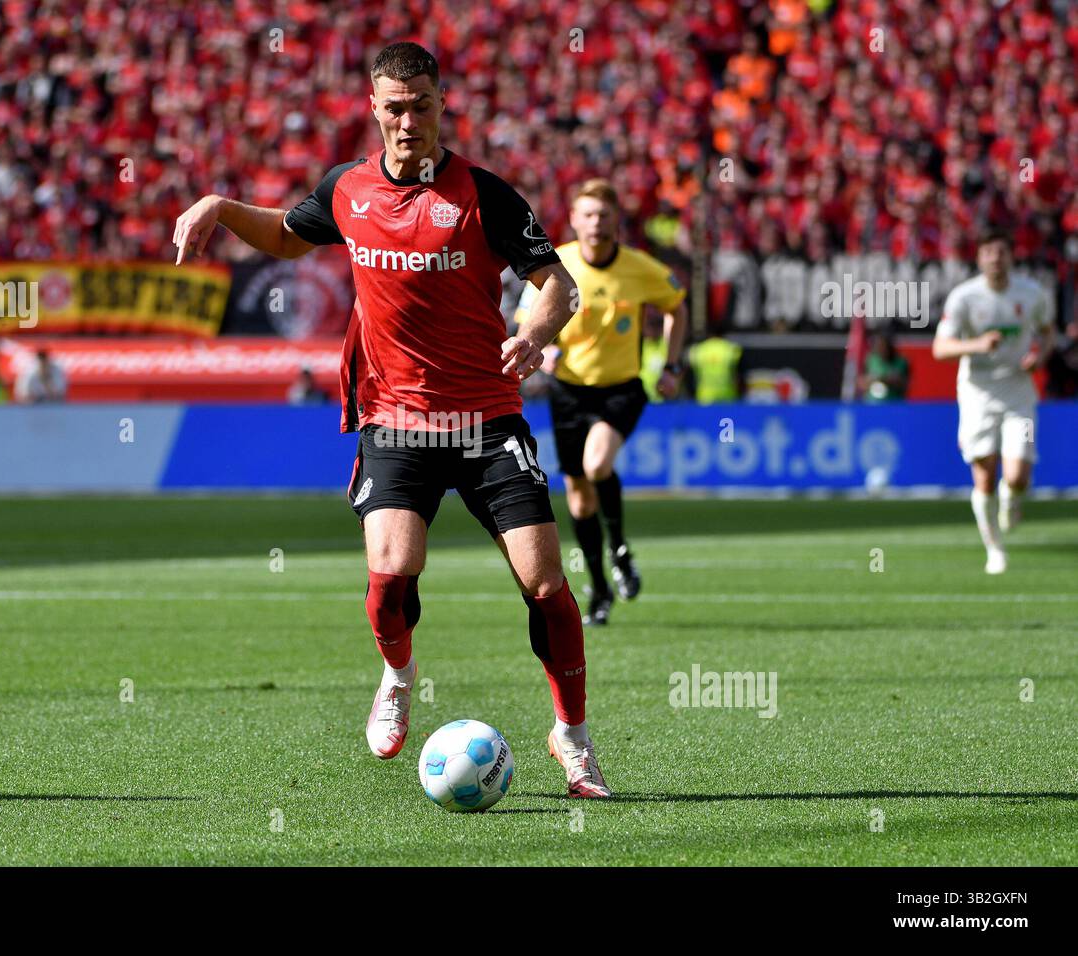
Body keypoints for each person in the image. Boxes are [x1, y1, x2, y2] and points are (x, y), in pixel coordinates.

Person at [173, 41, 610, 797]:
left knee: (545, 583)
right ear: (375, 111)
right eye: (395, 109)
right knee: (392, 574)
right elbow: (284, 232)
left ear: (443, 105)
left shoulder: (487, 196)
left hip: (487, 418)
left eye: (423, 107)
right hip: (397, 417)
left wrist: (535, 333)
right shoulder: (347, 191)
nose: (410, 122)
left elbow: (557, 282)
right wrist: (217, 205)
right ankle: (399, 675)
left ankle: (571, 737)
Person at [514, 178, 688, 627]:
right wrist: (542, 346)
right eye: (587, 214)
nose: (596, 223)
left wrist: (671, 366)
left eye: (604, 215)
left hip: (620, 388)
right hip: (569, 390)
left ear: (616, 221)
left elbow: (677, 307)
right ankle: (600, 587)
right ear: (574, 220)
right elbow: (525, 316)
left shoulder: (639, 267)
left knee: (596, 465)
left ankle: (620, 549)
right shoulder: (556, 265)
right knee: (578, 497)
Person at [933, 230, 1053, 574]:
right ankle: (995, 549)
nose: (994, 258)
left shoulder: (1032, 294)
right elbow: (940, 349)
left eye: (1001, 251)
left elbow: (1047, 331)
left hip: (1019, 392)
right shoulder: (964, 297)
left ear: (1010, 257)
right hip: (977, 394)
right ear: (979, 258)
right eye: (988, 252)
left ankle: (1012, 498)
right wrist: (977, 345)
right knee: (983, 477)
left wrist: (1040, 356)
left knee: (1018, 475)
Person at [688, 325, 745, 403]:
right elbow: (740, 375)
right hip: (728, 396)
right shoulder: (731, 349)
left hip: (704, 397)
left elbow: (690, 376)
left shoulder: (698, 350)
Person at [860, 328, 911, 402]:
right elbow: (862, 382)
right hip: (872, 405)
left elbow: (905, 384)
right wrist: (872, 380)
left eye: (883, 346)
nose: (881, 349)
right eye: (878, 346)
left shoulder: (901, 362)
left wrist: (888, 380)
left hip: (894, 404)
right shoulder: (870, 360)